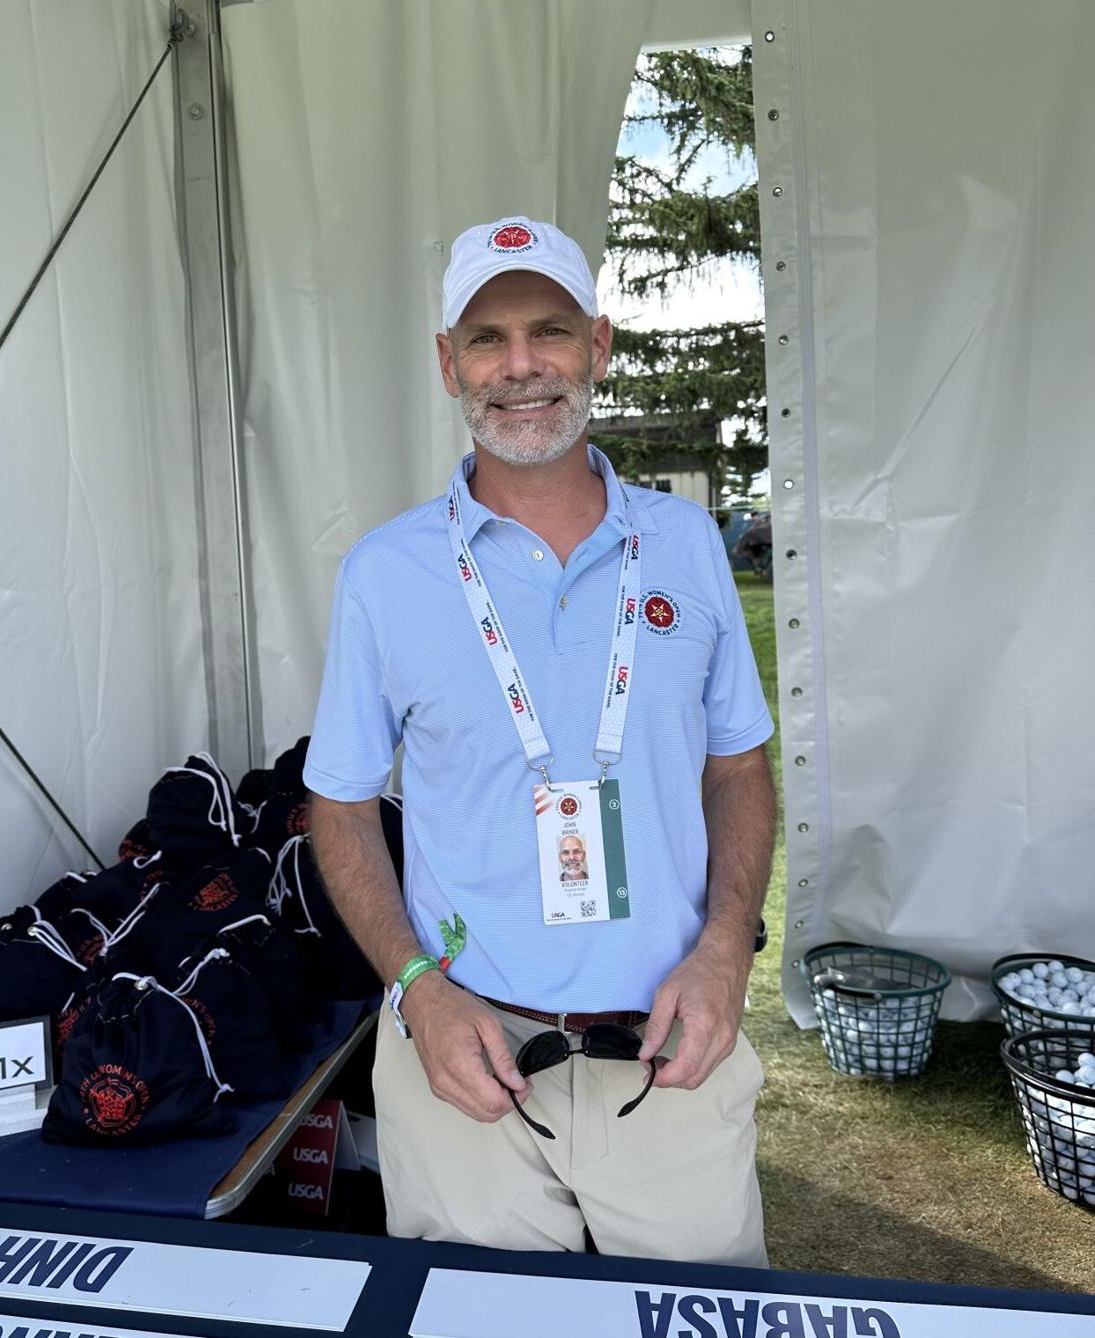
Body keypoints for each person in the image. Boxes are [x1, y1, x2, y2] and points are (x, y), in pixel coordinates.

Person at [305, 215, 776, 1265]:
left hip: (671, 1058)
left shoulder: (688, 544)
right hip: (465, 1077)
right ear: (448, 364)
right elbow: (336, 802)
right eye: (487, 338)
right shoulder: (387, 575)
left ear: (598, 346)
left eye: (550, 331)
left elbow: (738, 766)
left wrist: (723, 954)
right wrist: (414, 987)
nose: (522, 367)